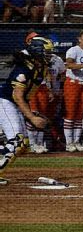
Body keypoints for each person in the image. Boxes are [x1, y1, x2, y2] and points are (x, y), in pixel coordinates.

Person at [0, 37, 51, 185]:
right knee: (18, 141)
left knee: (24, 146)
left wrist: (30, 113)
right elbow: (17, 96)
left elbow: (27, 96)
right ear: (37, 52)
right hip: (6, 101)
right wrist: (31, 117)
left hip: (15, 104)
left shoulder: (41, 68)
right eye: (46, 52)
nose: (49, 55)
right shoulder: (24, 68)